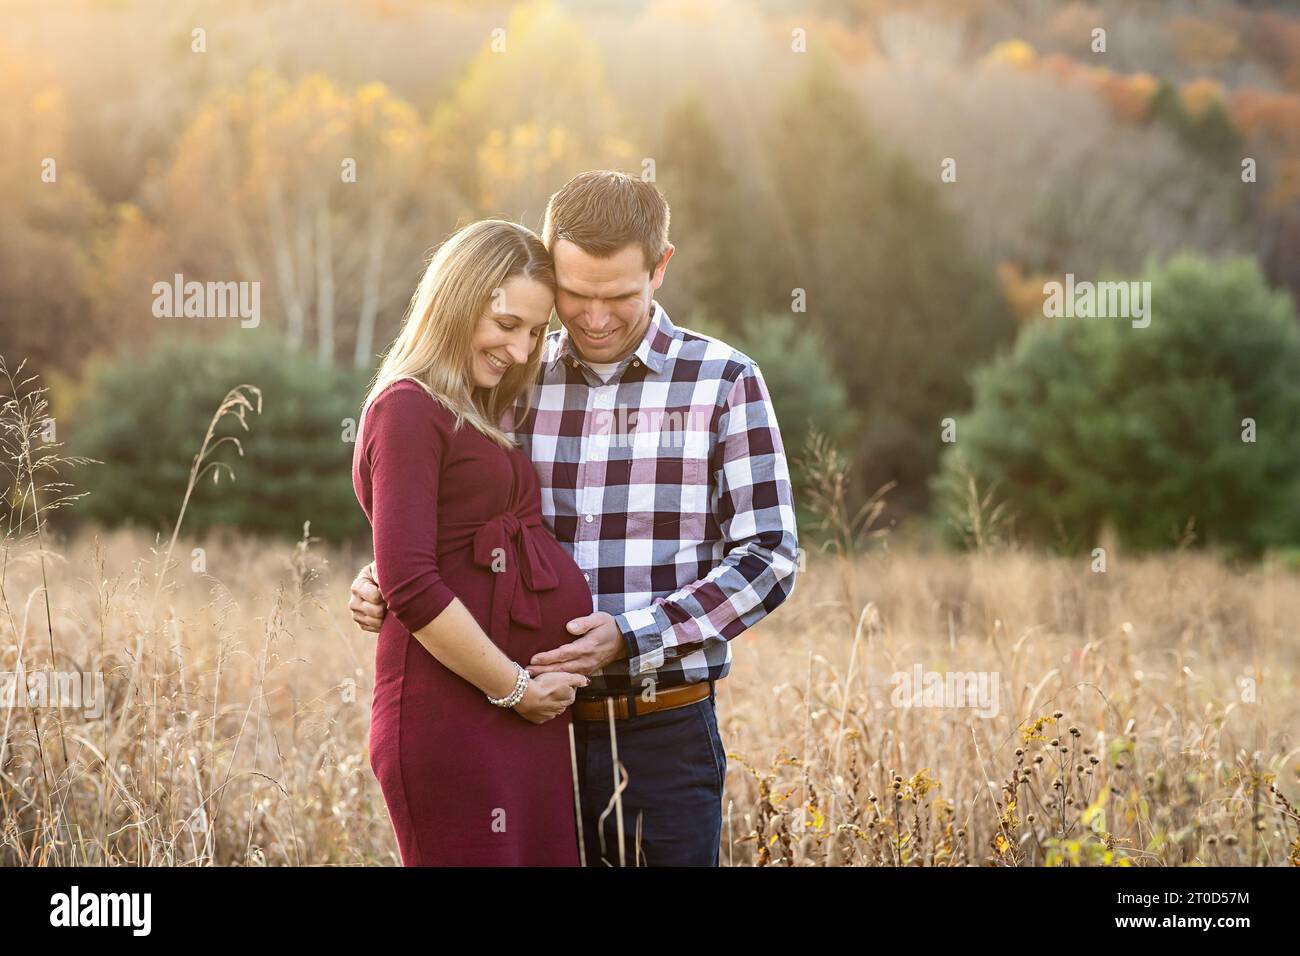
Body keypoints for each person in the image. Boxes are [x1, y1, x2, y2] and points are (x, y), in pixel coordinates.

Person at [352, 171, 800, 866]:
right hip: (525, 730)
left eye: (619, 296)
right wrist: (389, 568)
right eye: (575, 296)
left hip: (662, 729)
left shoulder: (723, 382)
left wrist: (630, 635)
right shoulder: (518, 379)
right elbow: (459, 509)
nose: (593, 318)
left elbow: (769, 556)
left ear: (661, 267)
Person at [353, 218, 592, 866]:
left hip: (523, 721)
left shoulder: (486, 410)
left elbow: (423, 545)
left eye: (538, 333)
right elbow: (410, 578)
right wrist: (515, 687)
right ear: (458, 300)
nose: (521, 352)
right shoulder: (407, 407)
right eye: (508, 325)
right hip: (454, 715)